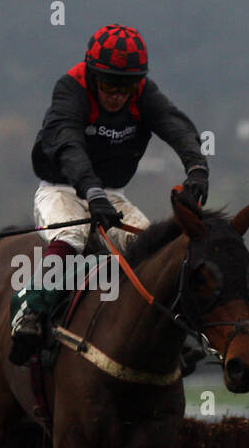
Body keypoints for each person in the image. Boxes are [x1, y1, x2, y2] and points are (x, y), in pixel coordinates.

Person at [11, 24, 210, 365]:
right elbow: (69, 146)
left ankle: (170, 336)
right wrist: (91, 191)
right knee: (71, 236)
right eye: (109, 85)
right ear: (91, 74)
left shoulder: (145, 94)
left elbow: (177, 127)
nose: (118, 95)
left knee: (154, 250)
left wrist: (196, 170)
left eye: (127, 86)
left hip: (111, 194)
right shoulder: (70, 89)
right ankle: (29, 312)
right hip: (61, 189)